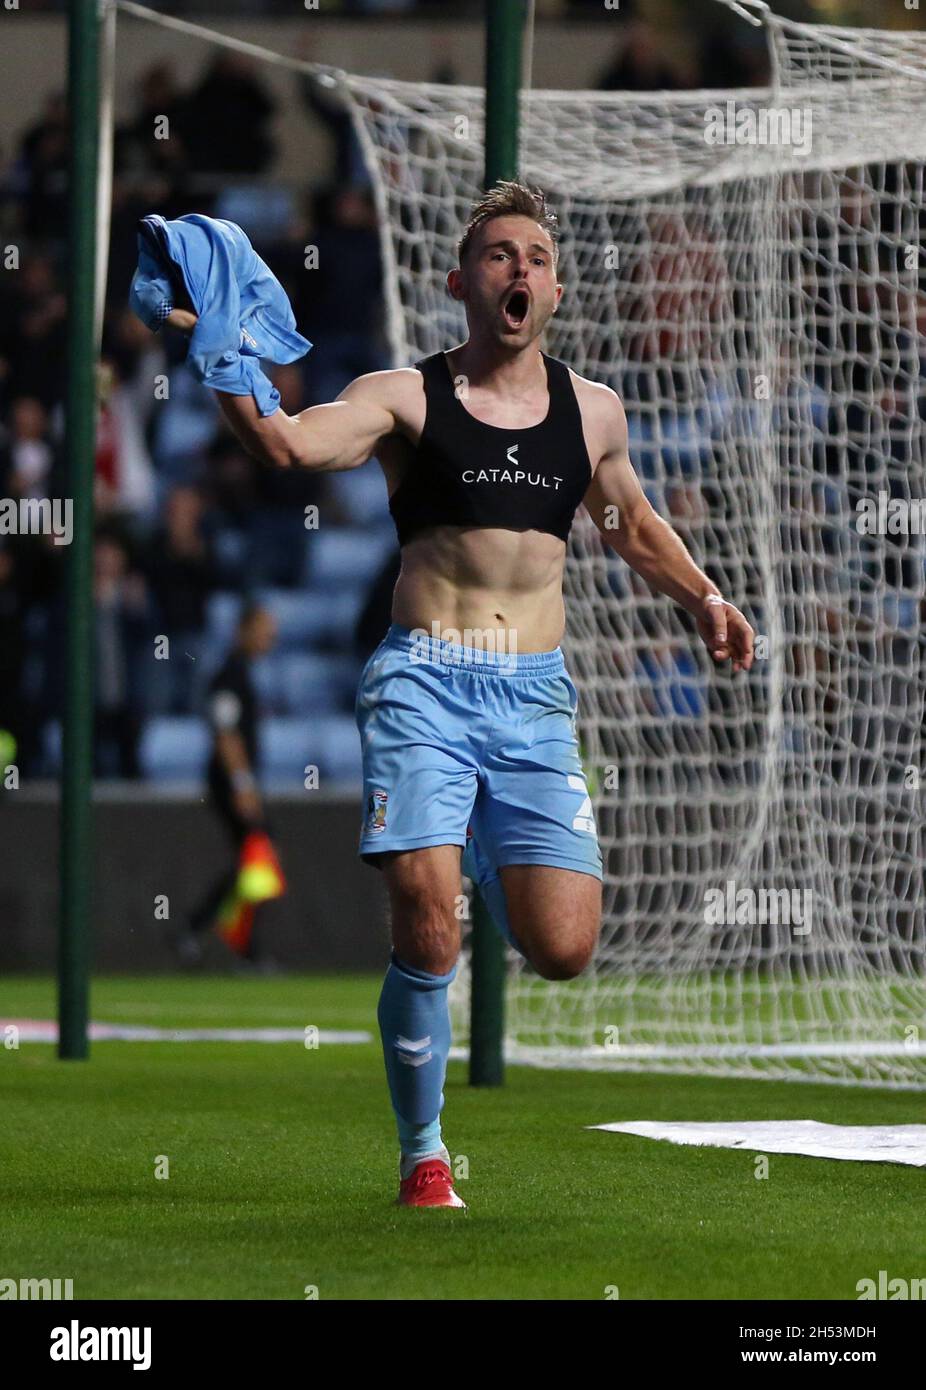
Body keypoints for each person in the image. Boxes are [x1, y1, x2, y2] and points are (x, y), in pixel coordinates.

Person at [167, 180, 754, 1207]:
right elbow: (289, 444)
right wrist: (227, 361)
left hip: (533, 700)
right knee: (425, 922)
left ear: (556, 287)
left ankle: (477, 843)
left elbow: (627, 524)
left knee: (563, 948)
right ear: (459, 282)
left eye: (532, 255)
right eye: (496, 255)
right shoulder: (405, 395)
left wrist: (702, 595)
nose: (516, 269)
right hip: (424, 686)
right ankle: (423, 1151)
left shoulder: (593, 413)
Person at [176, 602, 281, 967]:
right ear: (244, 630)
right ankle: (234, 944)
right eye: (265, 629)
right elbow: (225, 735)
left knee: (252, 864)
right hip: (230, 783)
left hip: (235, 782)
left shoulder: (240, 674)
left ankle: (203, 931)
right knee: (258, 861)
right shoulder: (229, 677)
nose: (271, 638)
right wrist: (242, 784)